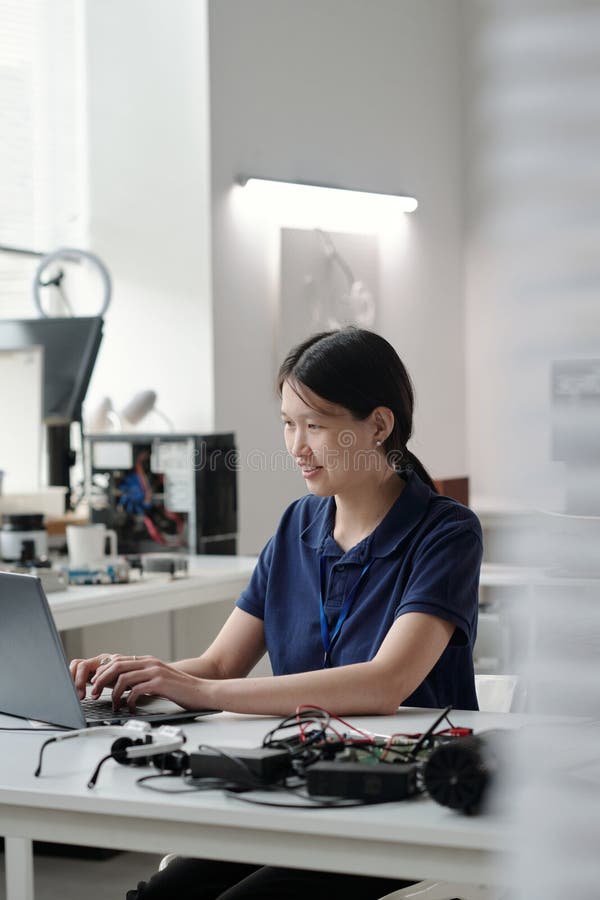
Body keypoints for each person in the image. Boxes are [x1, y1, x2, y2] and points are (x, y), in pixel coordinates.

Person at [70, 327, 483, 900]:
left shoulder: (447, 532)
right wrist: (137, 676)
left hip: (402, 803)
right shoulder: (297, 525)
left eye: (315, 425)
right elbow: (217, 664)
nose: (296, 446)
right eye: (288, 424)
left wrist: (197, 690)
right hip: (299, 788)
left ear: (379, 425)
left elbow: (386, 683)